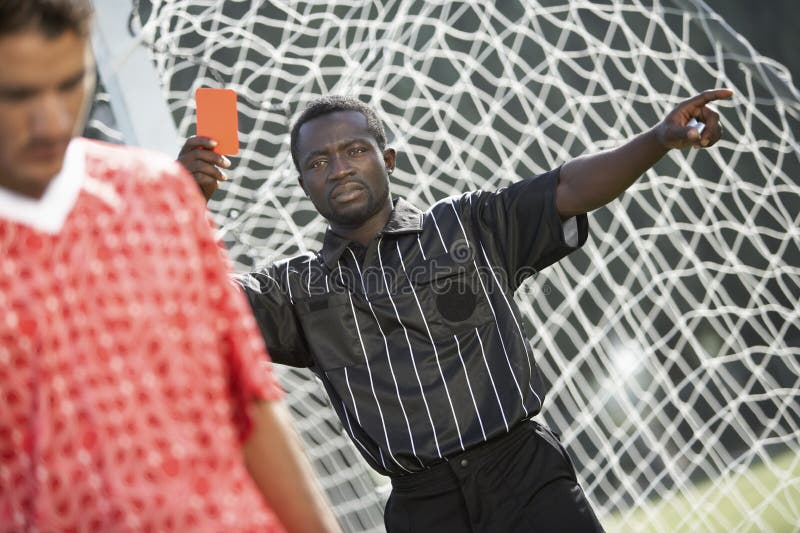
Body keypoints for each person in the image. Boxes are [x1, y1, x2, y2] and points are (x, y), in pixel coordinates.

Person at [178, 87, 732, 532]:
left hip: (524, 476)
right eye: (319, 161)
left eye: (354, 150)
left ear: (386, 159)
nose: (339, 168)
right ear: (302, 183)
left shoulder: (468, 224)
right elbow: (192, 297)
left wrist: (658, 139)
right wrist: (182, 202)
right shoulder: (293, 289)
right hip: (423, 509)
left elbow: (567, 186)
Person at [0, 1, 342, 532]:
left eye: (69, 84)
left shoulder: (157, 193)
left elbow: (248, 398)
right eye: (18, 95)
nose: (49, 119)